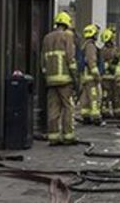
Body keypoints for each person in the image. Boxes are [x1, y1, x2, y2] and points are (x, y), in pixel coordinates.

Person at [40, 12, 77, 145]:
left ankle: (53, 137)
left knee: (53, 108)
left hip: (51, 80)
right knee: (67, 107)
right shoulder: (67, 37)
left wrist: (46, 76)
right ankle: (68, 136)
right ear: (67, 24)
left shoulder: (47, 38)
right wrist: (75, 78)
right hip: (65, 80)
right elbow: (70, 59)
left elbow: (42, 60)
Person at [79, 24, 103, 125]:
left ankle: (86, 116)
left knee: (85, 98)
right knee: (94, 97)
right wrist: (97, 75)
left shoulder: (84, 45)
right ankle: (96, 117)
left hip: (84, 77)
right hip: (91, 78)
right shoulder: (91, 46)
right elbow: (91, 61)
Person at [100, 27, 120, 119]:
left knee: (108, 96)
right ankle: (116, 113)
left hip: (107, 77)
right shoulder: (115, 50)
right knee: (114, 96)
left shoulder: (101, 51)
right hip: (112, 77)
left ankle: (107, 112)